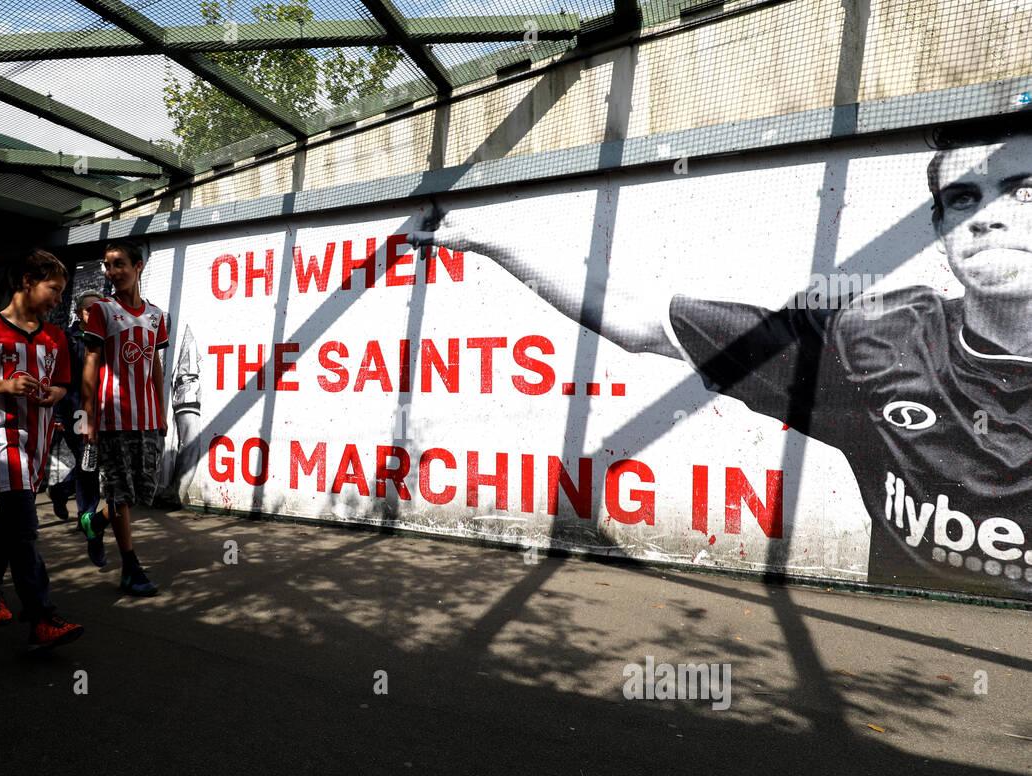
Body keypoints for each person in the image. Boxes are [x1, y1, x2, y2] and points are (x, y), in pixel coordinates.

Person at [412, 114, 1032, 600]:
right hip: (907, 673)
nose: (986, 219)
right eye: (962, 199)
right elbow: (636, 319)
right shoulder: (876, 345)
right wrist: (486, 238)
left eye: (1022, 192)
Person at [0, 249, 83, 652]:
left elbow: (62, 385)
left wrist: (53, 392)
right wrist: (2, 386)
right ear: (26, 281)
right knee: (25, 525)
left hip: (37, 443)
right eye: (54, 289)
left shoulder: (55, 337)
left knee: (10, 523)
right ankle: (41, 619)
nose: (58, 299)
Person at [78, 241, 169, 596]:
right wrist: (88, 417)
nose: (112, 272)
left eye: (119, 264)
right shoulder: (102, 310)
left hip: (147, 418)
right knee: (118, 493)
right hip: (112, 419)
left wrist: (160, 410)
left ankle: (93, 522)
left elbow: (156, 365)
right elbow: (91, 362)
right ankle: (130, 569)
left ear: (138, 266)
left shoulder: (156, 316)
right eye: (107, 266)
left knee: (139, 493)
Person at [48, 290, 103, 564]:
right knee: (88, 464)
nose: (92, 313)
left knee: (88, 463)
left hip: (98, 411)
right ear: (78, 312)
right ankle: (87, 517)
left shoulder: (103, 337)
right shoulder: (68, 340)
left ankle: (61, 491)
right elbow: (60, 378)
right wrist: (58, 414)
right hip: (74, 410)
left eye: (97, 309)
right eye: (87, 309)